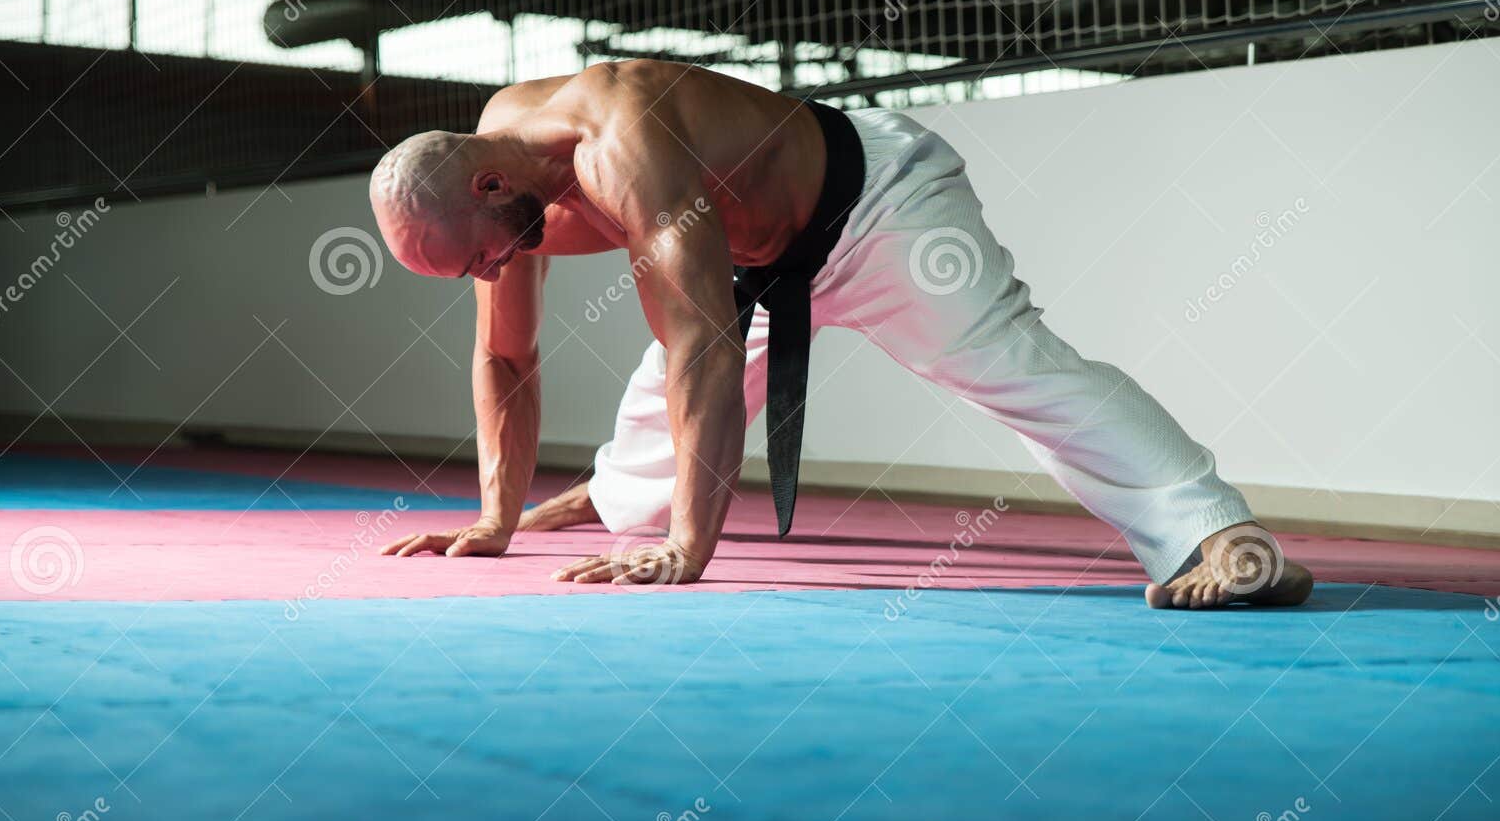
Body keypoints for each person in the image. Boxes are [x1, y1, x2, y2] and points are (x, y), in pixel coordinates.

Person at [371, 60, 1312, 609]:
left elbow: (702, 340)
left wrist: (690, 554)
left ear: (492, 189)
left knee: (1007, 363)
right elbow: (504, 353)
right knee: (657, 416)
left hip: (876, 210)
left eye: (479, 261)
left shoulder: (622, 140)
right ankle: (606, 495)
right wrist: (496, 516)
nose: (490, 276)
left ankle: (1219, 534)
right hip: (747, 258)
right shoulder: (500, 147)